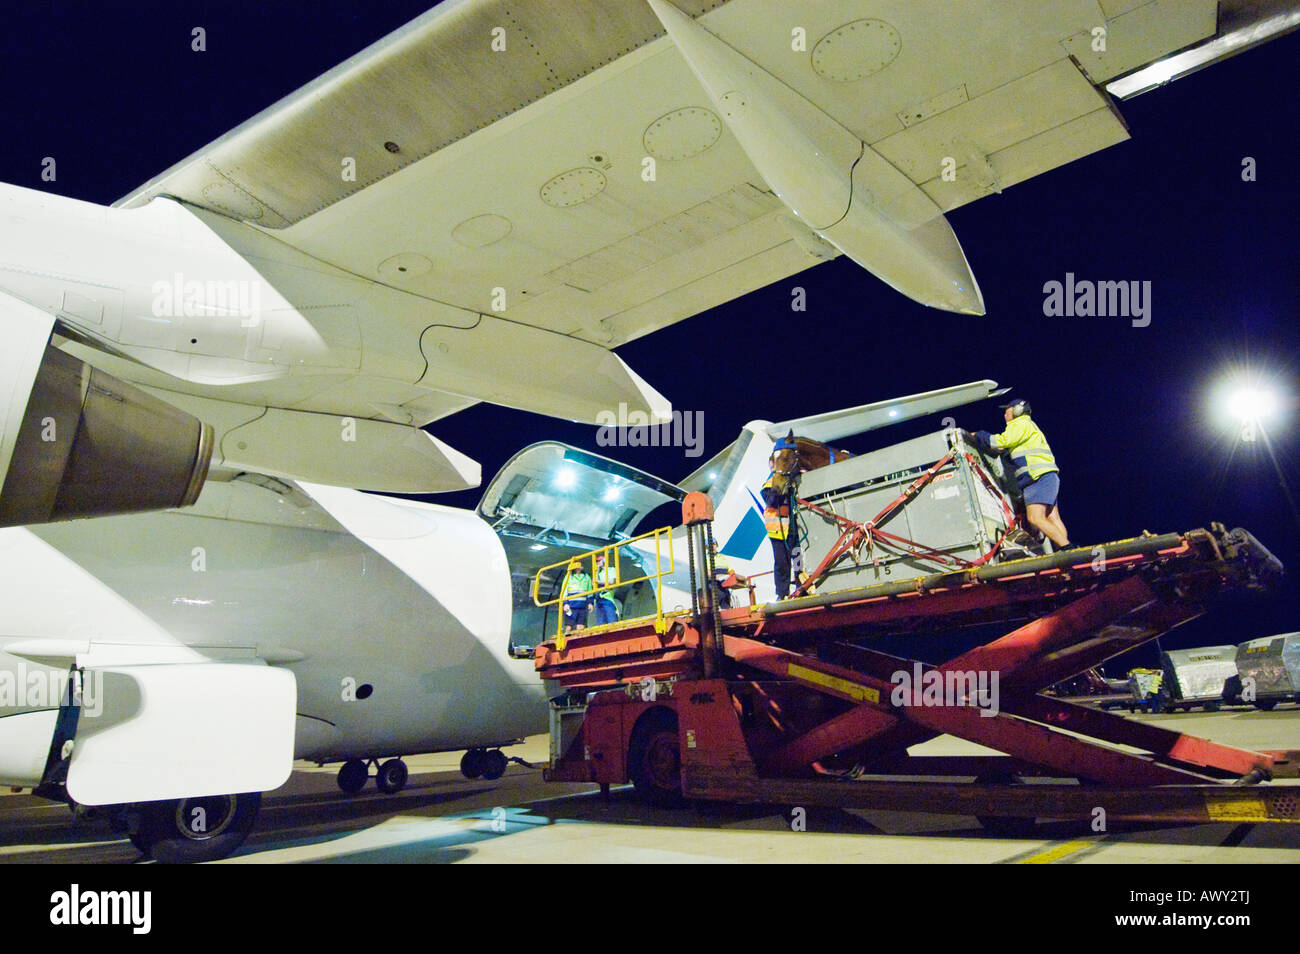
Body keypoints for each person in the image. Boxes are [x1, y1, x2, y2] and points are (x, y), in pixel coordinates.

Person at [970, 399, 1070, 551]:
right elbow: (1012, 448)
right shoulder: (1029, 426)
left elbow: (1001, 441)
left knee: (1035, 518)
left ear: (1017, 410)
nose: (1004, 414)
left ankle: (1066, 548)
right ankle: (1068, 552)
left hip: (1036, 478)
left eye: (1007, 410)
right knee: (1052, 517)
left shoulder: (1020, 424)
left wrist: (979, 435)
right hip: (1048, 477)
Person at [762, 433, 801, 598]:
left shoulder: (793, 480)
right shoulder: (770, 483)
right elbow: (772, 500)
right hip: (778, 531)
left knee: (799, 560)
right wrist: (782, 491)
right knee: (781, 564)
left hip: (793, 529)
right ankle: (782, 593)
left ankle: (802, 587)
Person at [561, 559, 594, 633]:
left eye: (580, 565)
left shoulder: (586, 577)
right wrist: (565, 603)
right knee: (569, 626)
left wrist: (590, 603)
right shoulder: (568, 577)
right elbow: (564, 591)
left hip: (582, 605)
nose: (579, 567)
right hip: (571, 605)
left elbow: (589, 591)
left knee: (581, 626)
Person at [593, 552, 620, 626]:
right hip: (599, 599)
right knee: (601, 622)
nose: (598, 563)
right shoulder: (599, 573)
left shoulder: (611, 570)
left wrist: (599, 582)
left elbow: (611, 582)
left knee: (611, 619)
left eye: (599, 561)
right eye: (597, 561)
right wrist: (597, 570)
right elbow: (594, 582)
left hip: (607, 597)